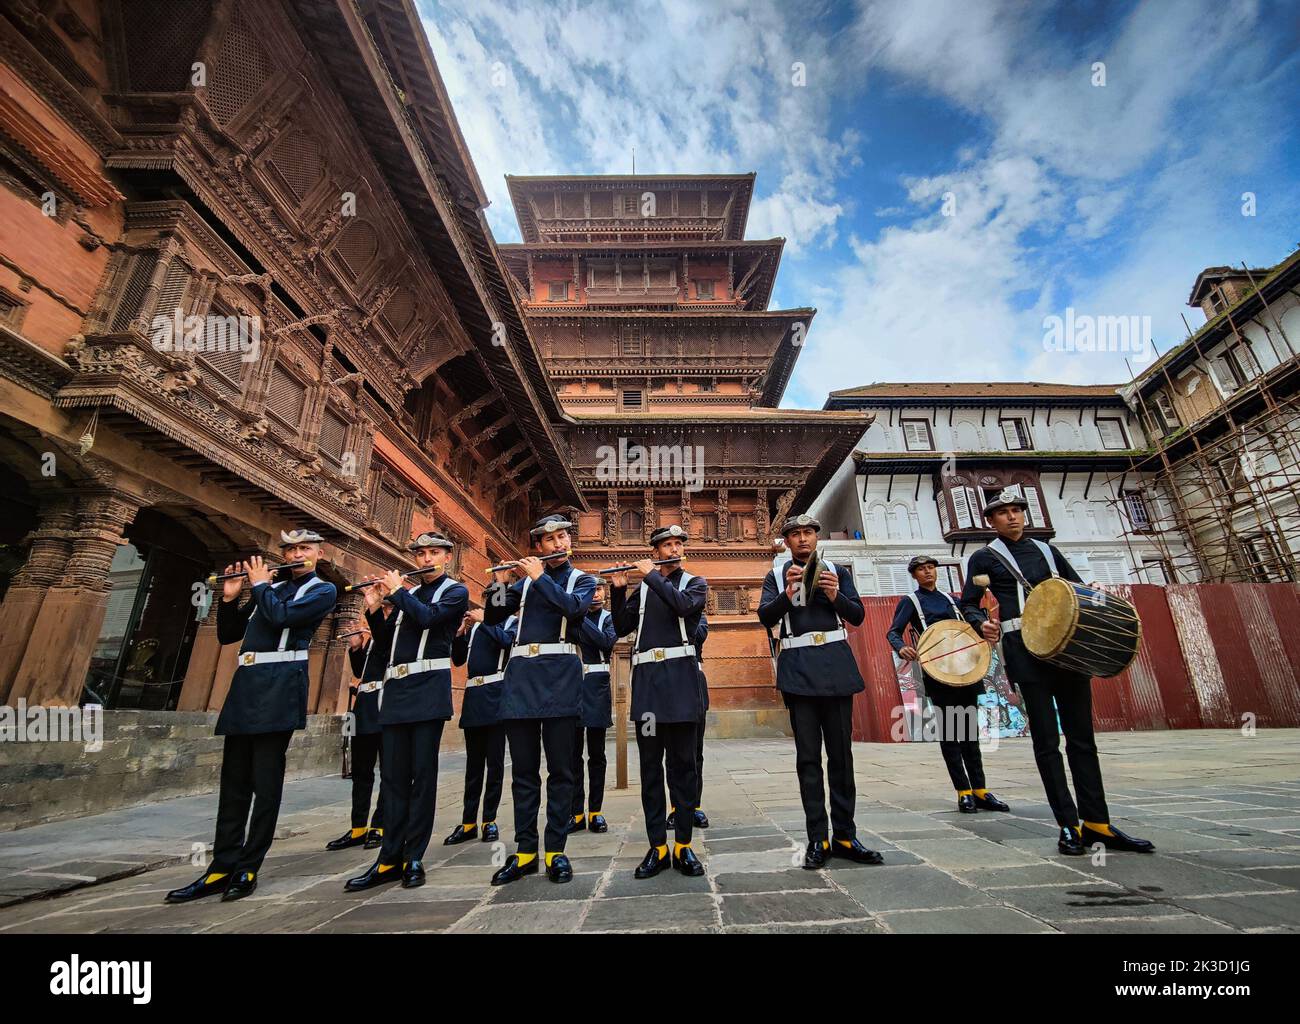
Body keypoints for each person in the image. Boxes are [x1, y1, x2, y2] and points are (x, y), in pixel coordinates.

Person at [959, 490, 1154, 857]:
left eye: (1017, 511)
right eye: (1003, 513)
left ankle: (1097, 822)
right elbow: (969, 603)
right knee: (1047, 742)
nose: (1012, 517)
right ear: (991, 521)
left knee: (1082, 739)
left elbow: (1076, 588)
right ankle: (1067, 824)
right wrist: (980, 622)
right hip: (1025, 651)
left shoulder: (1049, 551)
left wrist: (1094, 592)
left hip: (1068, 649)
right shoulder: (984, 557)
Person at [165, 529, 337, 903]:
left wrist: (259, 585)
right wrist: (229, 599)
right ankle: (220, 866)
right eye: (289, 548)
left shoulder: (322, 590)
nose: (295, 553)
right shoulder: (269, 589)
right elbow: (229, 634)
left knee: (265, 781)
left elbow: (281, 620)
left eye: (304, 548)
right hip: (246, 688)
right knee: (234, 782)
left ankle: (248, 865)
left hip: (280, 688)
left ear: (318, 553)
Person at [758, 514, 882, 870]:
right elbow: (765, 617)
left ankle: (845, 834)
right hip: (798, 669)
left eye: (808, 533)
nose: (802, 540)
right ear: (786, 541)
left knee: (842, 757)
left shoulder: (837, 571)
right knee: (808, 759)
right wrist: (785, 595)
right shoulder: (777, 573)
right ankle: (818, 837)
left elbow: (857, 616)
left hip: (836, 667)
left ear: (816, 536)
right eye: (795, 534)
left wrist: (834, 595)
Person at [344, 533, 468, 891]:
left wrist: (396, 593)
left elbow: (429, 621)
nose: (426, 558)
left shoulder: (454, 592)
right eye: (421, 553)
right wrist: (372, 607)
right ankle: (387, 858)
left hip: (428, 690)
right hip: (396, 692)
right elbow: (385, 645)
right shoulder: (407, 596)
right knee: (394, 778)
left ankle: (414, 857)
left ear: (447, 555)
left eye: (434, 552)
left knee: (421, 778)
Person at [483, 514, 595, 885]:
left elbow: (574, 609)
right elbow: (493, 616)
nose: (559, 543)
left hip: (560, 677)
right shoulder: (526, 584)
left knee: (562, 770)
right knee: (525, 773)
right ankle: (526, 850)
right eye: (550, 540)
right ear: (538, 547)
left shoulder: (582, 579)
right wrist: (498, 585)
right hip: (521, 680)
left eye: (563, 537)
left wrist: (537, 577)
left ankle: (556, 850)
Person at [609, 524, 707, 879]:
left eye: (678, 544)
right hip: (649, 686)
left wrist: (651, 575)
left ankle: (683, 845)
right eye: (665, 545)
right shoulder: (645, 590)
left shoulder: (695, 584)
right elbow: (620, 628)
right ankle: (657, 847)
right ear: (655, 551)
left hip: (681, 683)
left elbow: (682, 609)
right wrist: (618, 591)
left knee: (682, 768)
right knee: (651, 769)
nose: (672, 549)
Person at [886, 555, 1009, 815]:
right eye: (921, 569)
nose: (928, 572)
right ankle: (963, 791)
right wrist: (902, 647)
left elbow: (972, 626)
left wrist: (985, 626)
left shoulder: (953, 600)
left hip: (965, 668)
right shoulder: (911, 601)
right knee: (951, 732)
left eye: (931, 567)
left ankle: (980, 790)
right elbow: (893, 632)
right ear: (914, 575)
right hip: (938, 672)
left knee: (970, 732)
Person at [444, 606, 516, 846]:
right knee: (473, 765)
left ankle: (489, 819)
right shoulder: (473, 629)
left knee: (494, 763)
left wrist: (485, 622)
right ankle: (468, 821)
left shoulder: (509, 622)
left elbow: (507, 643)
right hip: (474, 696)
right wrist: (459, 634)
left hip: (496, 694)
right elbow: (458, 659)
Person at [325, 613, 389, 852]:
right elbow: (363, 670)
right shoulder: (371, 641)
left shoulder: (392, 636)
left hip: (385, 707)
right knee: (361, 771)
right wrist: (356, 648)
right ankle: (358, 826)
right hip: (364, 709)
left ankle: (380, 825)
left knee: (389, 772)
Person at [569, 584, 616, 835]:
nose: (596, 594)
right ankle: (576, 813)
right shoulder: (572, 616)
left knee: (596, 755)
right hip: (573, 686)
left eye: (599, 589)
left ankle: (595, 812)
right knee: (573, 756)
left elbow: (605, 642)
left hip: (597, 687)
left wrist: (578, 616)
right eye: (591, 590)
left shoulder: (609, 618)